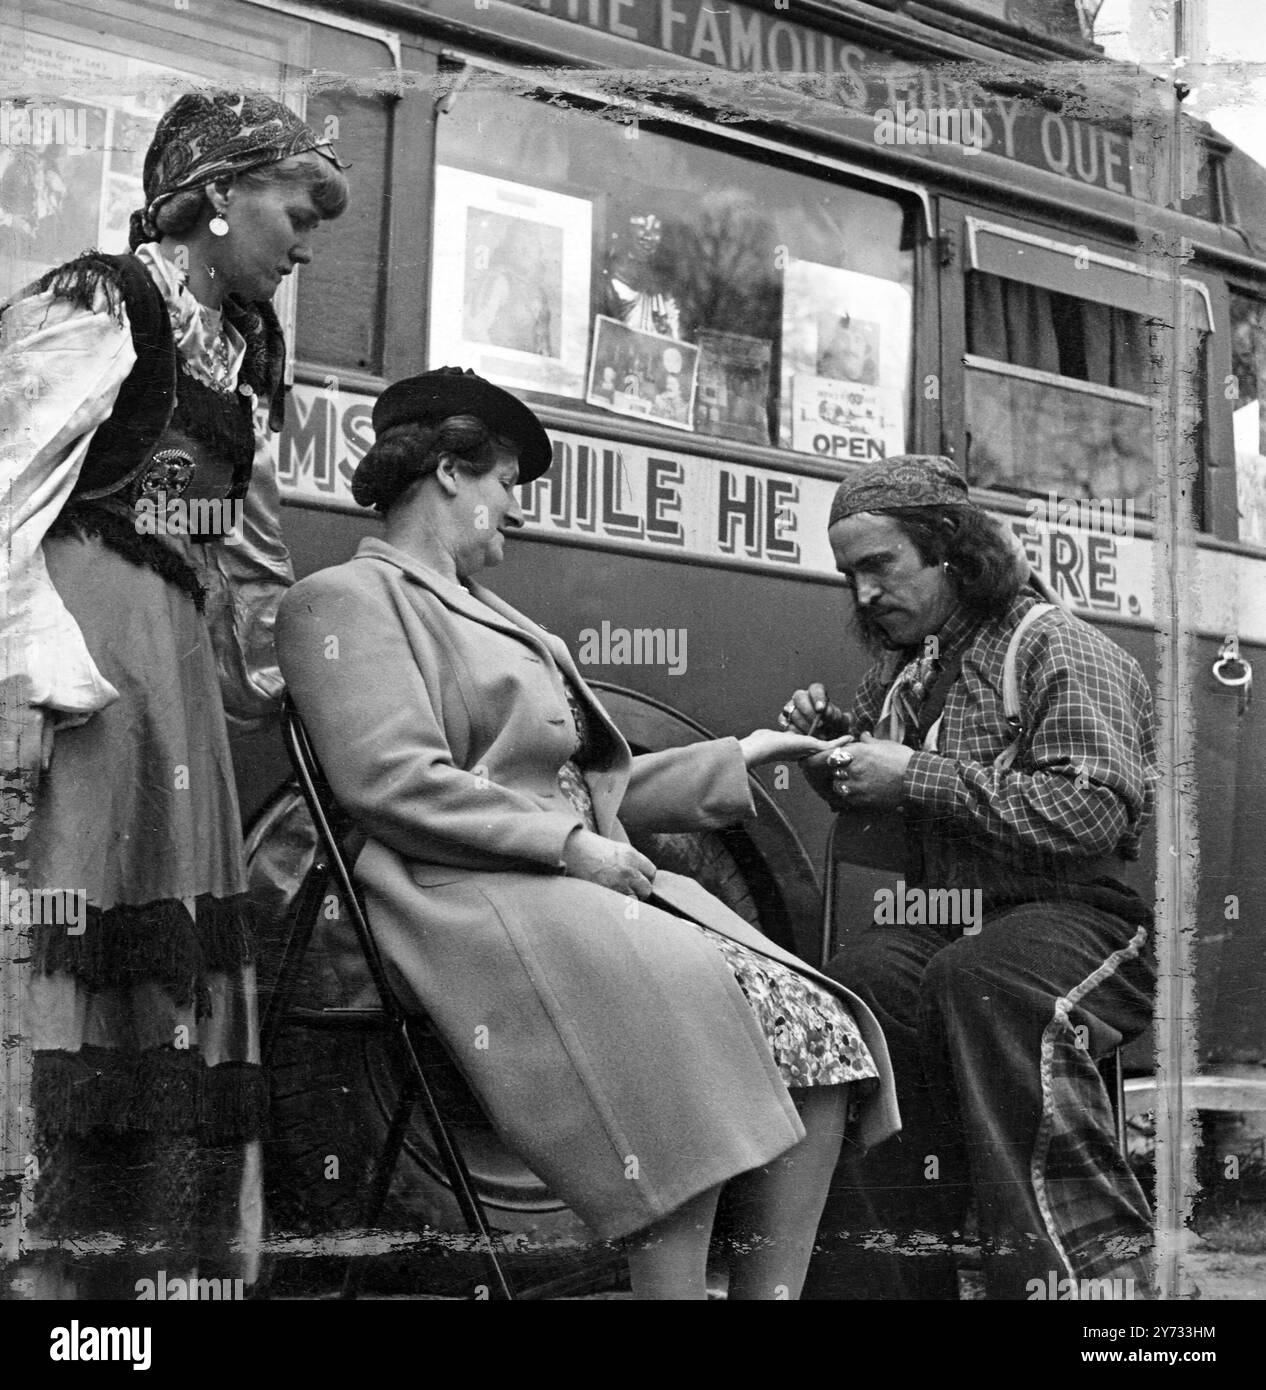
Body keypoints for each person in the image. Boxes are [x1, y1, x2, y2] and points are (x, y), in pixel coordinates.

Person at [275, 367, 900, 1300]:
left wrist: (742, 756)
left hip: (554, 889)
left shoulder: (497, 616)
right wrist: (573, 849)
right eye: (505, 482)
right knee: (694, 1017)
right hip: (455, 898)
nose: (516, 510)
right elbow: (393, 785)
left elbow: (584, 792)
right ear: (450, 472)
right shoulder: (344, 600)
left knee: (826, 1029)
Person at [0, 91, 348, 1296]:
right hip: (85, 658)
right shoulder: (102, 303)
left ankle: (138, 1288)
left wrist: (285, 680)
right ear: (213, 197)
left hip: (174, 675)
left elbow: (246, 553)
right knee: (75, 928)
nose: (306, 241)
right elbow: (5, 485)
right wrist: (30, 689)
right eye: (294, 209)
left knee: (163, 961)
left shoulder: (249, 351)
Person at [779, 454, 1157, 1301]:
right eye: (850, 576)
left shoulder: (1058, 645)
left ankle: (1087, 1284)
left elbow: (1091, 813)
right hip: (957, 916)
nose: (865, 594)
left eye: (882, 566)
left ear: (952, 551)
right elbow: (894, 833)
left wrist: (912, 773)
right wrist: (838, 757)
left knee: (981, 980)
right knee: (855, 988)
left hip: (1085, 921)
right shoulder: (905, 672)